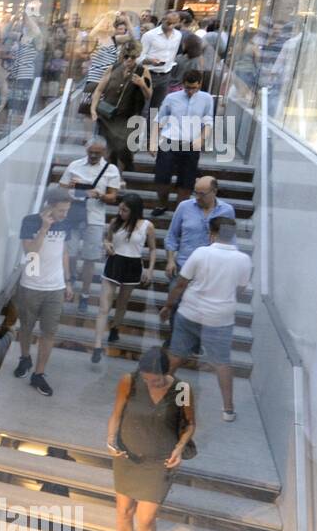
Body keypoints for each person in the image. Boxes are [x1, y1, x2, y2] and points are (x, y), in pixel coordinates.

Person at [104, 346, 196, 531]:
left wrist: (179, 448)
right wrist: (110, 439)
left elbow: (189, 424)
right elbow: (116, 413)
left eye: (155, 380)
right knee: (124, 511)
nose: (150, 384)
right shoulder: (129, 381)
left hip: (159, 460)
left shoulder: (182, 389)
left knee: (145, 518)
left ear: (166, 373)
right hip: (128, 455)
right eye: (146, 379)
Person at [161, 215, 252, 422]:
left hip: (190, 313)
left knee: (175, 357)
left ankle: (159, 394)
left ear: (212, 233)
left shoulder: (201, 253)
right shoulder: (243, 259)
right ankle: (228, 409)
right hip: (220, 319)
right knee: (222, 363)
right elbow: (241, 290)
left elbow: (181, 284)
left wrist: (168, 306)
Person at [13, 185, 73, 397]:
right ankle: (24, 357)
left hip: (55, 287)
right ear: (49, 207)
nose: (64, 215)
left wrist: (68, 280)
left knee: (49, 332)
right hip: (31, 284)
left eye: (67, 211)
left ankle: (39, 374)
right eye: (61, 211)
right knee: (27, 327)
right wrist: (44, 229)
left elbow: (64, 252)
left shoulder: (66, 223)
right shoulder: (30, 221)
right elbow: (31, 252)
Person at [60, 136, 122, 315]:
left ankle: (85, 294)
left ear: (104, 152)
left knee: (90, 258)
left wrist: (98, 195)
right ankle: (69, 283)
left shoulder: (110, 170)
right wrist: (72, 187)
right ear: (86, 150)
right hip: (72, 214)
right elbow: (60, 188)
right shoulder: (75, 165)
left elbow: (113, 197)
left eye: (97, 153)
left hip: (94, 217)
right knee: (69, 253)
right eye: (91, 152)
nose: (94, 155)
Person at [92, 193, 155, 363]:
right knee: (104, 306)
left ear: (134, 211)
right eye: (120, 209)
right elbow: (107, 239)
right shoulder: (115, 222)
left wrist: (149, 269)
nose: (121, 212)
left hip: (133, 264)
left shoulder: (147, 226)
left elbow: (153, 249)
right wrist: (107, 244)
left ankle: (115, 327)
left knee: (122, 303)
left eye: (125, 210)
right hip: (115, 261)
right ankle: (97, 345)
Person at [152, 69, 213, 216]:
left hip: (191, 143)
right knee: (162, 177)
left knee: (186, 181)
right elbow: (159, 120)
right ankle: (162, 204)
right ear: (183, 85)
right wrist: (153, 141)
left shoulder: (207, 99)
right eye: (187, 88)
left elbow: (208, 121)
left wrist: (202, 139)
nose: (190, 91)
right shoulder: (172, 97)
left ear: (200, 84)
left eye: (194, 88)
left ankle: (180, 211)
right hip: (169, 140)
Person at [91, 43, 152, 175]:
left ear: (137, 57)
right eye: (126, 56)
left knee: (123, 149)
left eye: (133, 57)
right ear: (122, 56)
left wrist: (142, 85)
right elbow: (98, 90)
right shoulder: (113, 68)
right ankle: (105, 176)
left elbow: (149, 95)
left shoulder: (143, 71)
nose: (129, 60)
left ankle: (117, 176)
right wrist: (93, 109)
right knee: (108, 149)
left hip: (129, 117)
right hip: (108, 115)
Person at [136, 11, 182, 113]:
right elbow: (138, 58)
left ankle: (150, 129)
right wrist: (151, 61)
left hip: (165, 75)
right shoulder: (150, 35)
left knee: (156, 108)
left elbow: (173, 54)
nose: (170, 26)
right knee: (142, 105)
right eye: (168, 23)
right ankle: (137, 128)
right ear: (163, 20)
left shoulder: (178, 35)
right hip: (149, 74)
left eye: (173, 24)